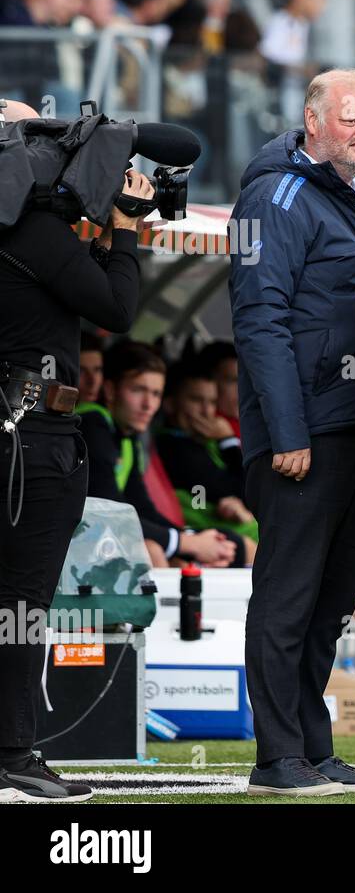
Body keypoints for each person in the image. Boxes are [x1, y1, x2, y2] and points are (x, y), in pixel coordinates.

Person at [228, 67, 355, 797]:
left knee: (331, 604)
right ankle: (276, 757)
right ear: (313, 120)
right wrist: (287, 430)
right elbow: (258, 321)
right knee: (287, 599)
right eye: (350, 118)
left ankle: (314, 748)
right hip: (303, 435)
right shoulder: (275, 195)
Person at [0, 100, 149, 802]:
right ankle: (14, 750)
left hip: (16, 430)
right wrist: (124, 232)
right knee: (23, 601)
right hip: (34, 437)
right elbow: (117, 310)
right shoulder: (32, 229)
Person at [81, 340, 244, 569]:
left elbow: (142, 508)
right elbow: (111, 512)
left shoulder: (127, 437)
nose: (148, 404)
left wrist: (190, 540)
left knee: (177, 552)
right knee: (152, 550)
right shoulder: (92, 424)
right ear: (109, 390)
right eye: (138, 390)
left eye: (156, 393)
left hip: (99, 534)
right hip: (69, 537)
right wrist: (186, 542)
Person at [153, 358, 258, 551]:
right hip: (204, 537)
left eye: (212, 402)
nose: (206, 411)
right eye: (195, 400)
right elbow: (247, 491)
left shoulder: (202, 442)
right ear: (169, 404)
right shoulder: (176, 447)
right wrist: (228, 441)